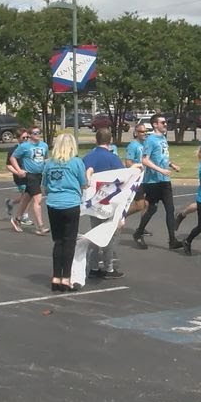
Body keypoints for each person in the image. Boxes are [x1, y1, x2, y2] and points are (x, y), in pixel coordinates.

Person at [43, 133, 87, 291]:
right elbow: (84, 183)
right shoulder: (76, 162)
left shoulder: (49, 163)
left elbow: (45, 185)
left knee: (58, 241)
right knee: (69, 241)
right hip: (70, 204)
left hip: (53, 203)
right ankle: (66, 278)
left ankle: (56, 277)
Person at [81, 129, 126, 279]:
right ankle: (109, 268)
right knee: (109, 235)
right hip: (109, 202)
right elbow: (122, 181)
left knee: (95, 233)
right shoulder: (113, 159)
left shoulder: (88, 158)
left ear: (96, 140)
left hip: (94, 201)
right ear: (110, 140)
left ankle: (93, 267)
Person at [135, 114, 182, 250]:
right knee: (152, 208)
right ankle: (138, 232)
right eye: (163, 122)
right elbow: (144, 160)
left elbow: (161, 156)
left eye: (166, 122)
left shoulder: (163, 138)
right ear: (155, 124)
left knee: (170, 209)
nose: (165, 124)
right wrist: (160, 170)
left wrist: (172, 165)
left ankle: (172, 240)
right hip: (153, 181)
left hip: (164, 180)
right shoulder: (150, 140)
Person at [9, 127, 49, 234]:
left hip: (39, 175)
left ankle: (16, 219)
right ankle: (40, 227)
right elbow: (12, 158)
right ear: (30, 135)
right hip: (29, 175)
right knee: (38, 200)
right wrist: (18, 170)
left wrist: (47, 167)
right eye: (35, 133)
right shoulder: (24, 146)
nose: (37, 134)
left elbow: (45, 158)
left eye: (39, 132)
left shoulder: (44, 145)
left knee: (26, 198)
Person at [2, 129, 33, 226]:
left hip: (30, 175)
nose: (26, 139)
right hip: (19, 177)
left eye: (27, 137)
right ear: (18, 138)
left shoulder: (30, 148)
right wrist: (18, 172)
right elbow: (8, 165)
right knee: (26, 195)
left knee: (27, 196)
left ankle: (11, 202)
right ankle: (24, 216)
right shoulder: (13, 150)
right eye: (23, 137)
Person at [123, 121, 149, 222]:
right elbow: (128, 162)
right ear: (136, 133)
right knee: (139, 205)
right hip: (137, 179)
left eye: (145, 131)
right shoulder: (133, 145)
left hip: (146, 179)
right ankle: (120, 216)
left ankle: (141, 228)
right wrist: (137, 168)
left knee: (147, 204)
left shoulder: (146, 144)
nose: (144, 133)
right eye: (142, 132)